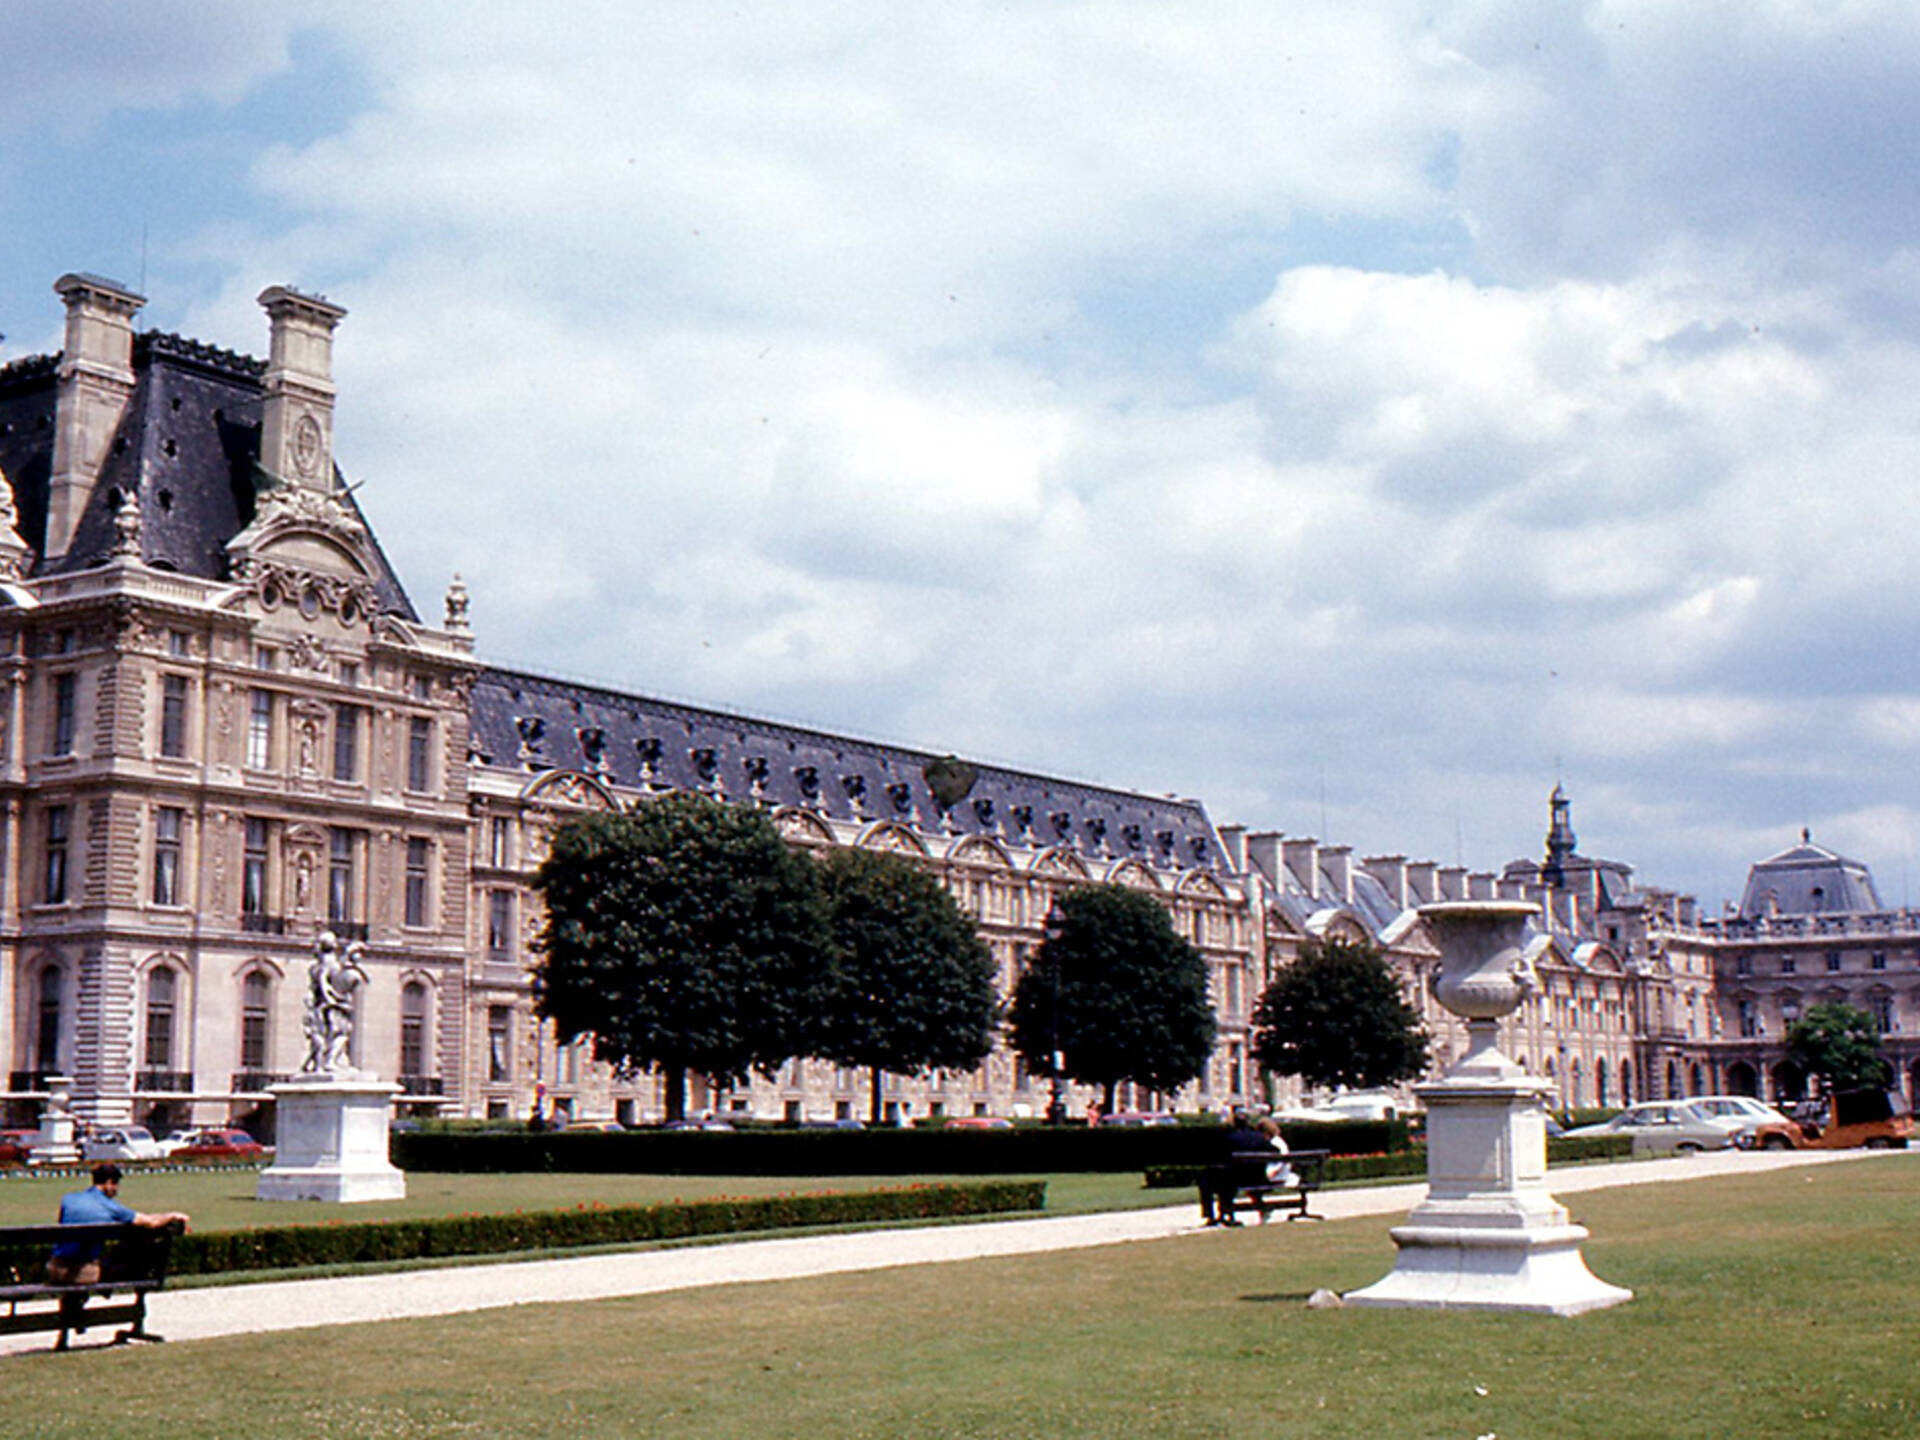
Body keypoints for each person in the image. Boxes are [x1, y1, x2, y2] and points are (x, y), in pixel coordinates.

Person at [46, 1163, 191, 1286]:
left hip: (55, 1269)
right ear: (109, 1183)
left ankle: (70, 1313)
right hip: (83, 1273)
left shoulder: (68, 1200)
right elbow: (150, 1222)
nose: (116, 1191)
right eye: (115, 1185)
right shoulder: (111, 1207)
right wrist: (172, 1215)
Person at [1198, 1111, 1271, 1227]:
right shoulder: (1259, 1138)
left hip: (1234, 1179)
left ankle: (1212, 1215)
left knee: (1206, 1179)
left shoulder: (1229, 1138)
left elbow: (1220, 1157)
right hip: (1258, 1178)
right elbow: (1275, 1151)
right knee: (1226, 1178)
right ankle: (1229, 1212)